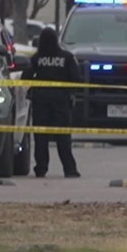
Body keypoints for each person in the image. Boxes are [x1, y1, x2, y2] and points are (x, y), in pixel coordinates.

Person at [24, 28, 81, 178]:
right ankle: (69, 169)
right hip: (61, 101)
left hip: (40, 100)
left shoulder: (37, 58)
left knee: (41, 137)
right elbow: (76, 78)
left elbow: (25, 76)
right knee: (63, 136)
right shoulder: (67, 57)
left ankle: (41, 169)